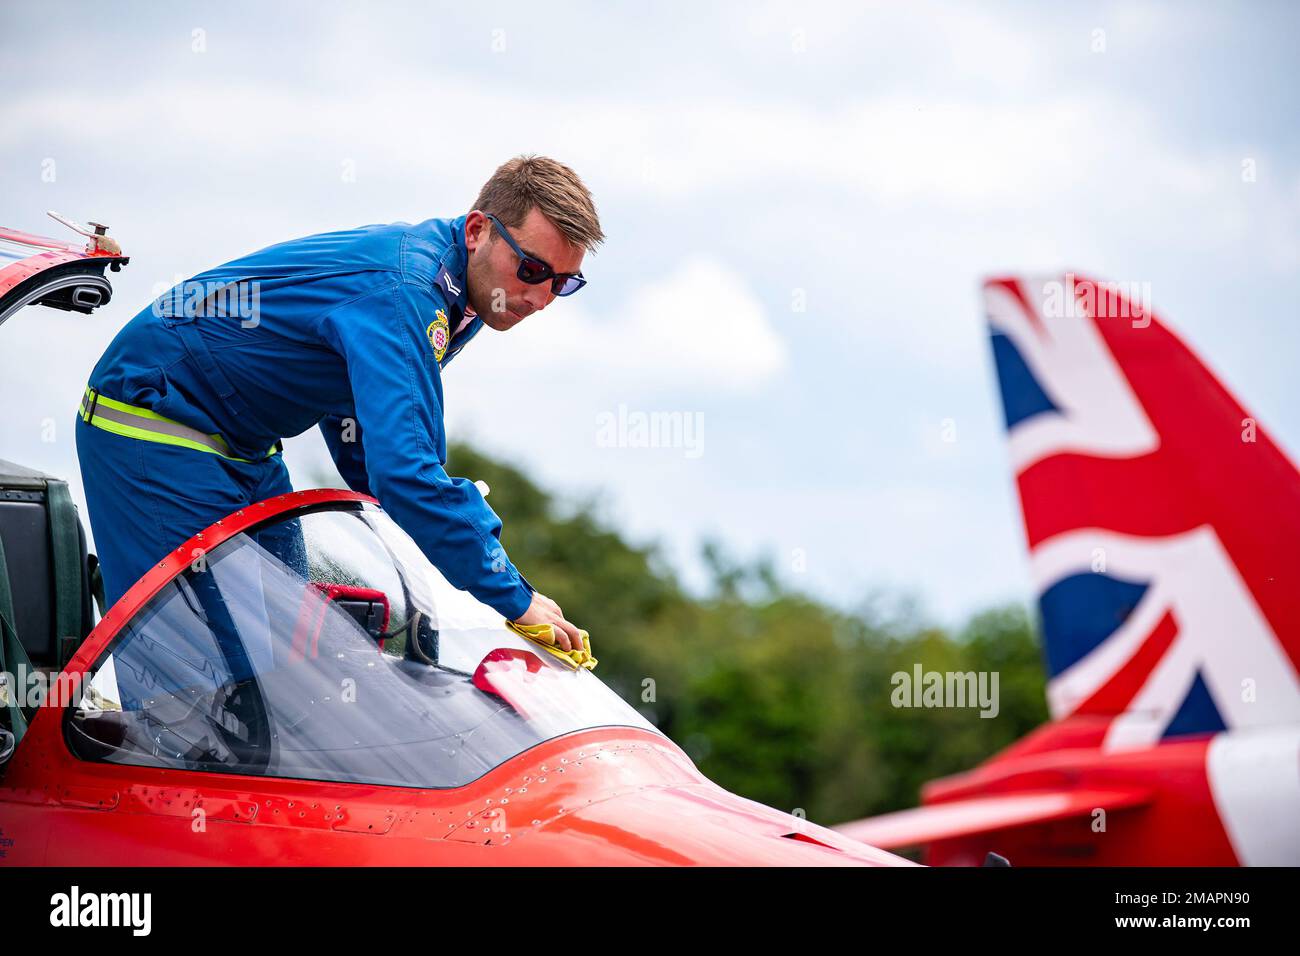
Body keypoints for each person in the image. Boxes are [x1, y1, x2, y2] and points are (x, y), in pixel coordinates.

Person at [76, 155, 601, 651]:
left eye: (564, 283)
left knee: (290, 653)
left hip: (246, 446)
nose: (540, 298)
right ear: (477, 231)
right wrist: (513, 597)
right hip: (156, 417)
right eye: (531, 270)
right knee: (212, 678)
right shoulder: (409, 293)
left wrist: (420, 532)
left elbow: (360, 425)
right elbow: (408, 474)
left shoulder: (467, 290)